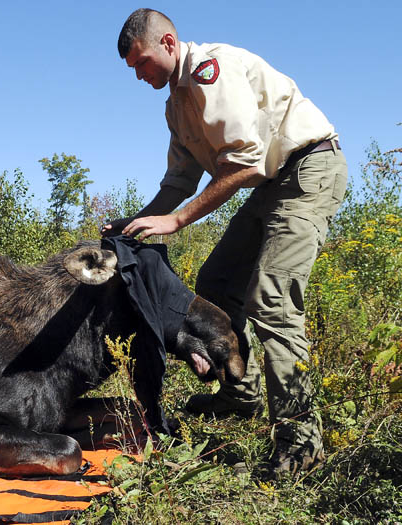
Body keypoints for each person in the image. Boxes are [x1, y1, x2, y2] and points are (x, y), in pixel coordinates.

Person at [102, 8, 347, 476]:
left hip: (309, 169)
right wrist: (136, 221)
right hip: (271, 185)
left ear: (168, 44)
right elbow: (179, 180)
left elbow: (247, 163)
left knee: (271, 300)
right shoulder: (176, 105)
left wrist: (175, 223)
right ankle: (242, 393)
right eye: (132, 69)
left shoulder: (212, 70)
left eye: (142, 62)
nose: (139, 75)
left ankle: (301, 443)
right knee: (216, 280)